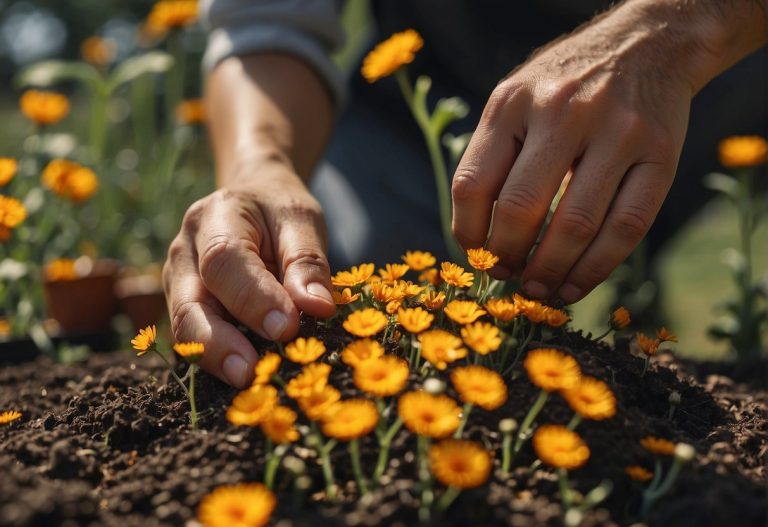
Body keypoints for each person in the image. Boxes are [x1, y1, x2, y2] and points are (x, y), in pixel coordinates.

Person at [163, 0, 768, 388]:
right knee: (333, 302)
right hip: (427, 90)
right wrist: (259, 165)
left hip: (713, 69)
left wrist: (671, 31)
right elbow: (270, 22)